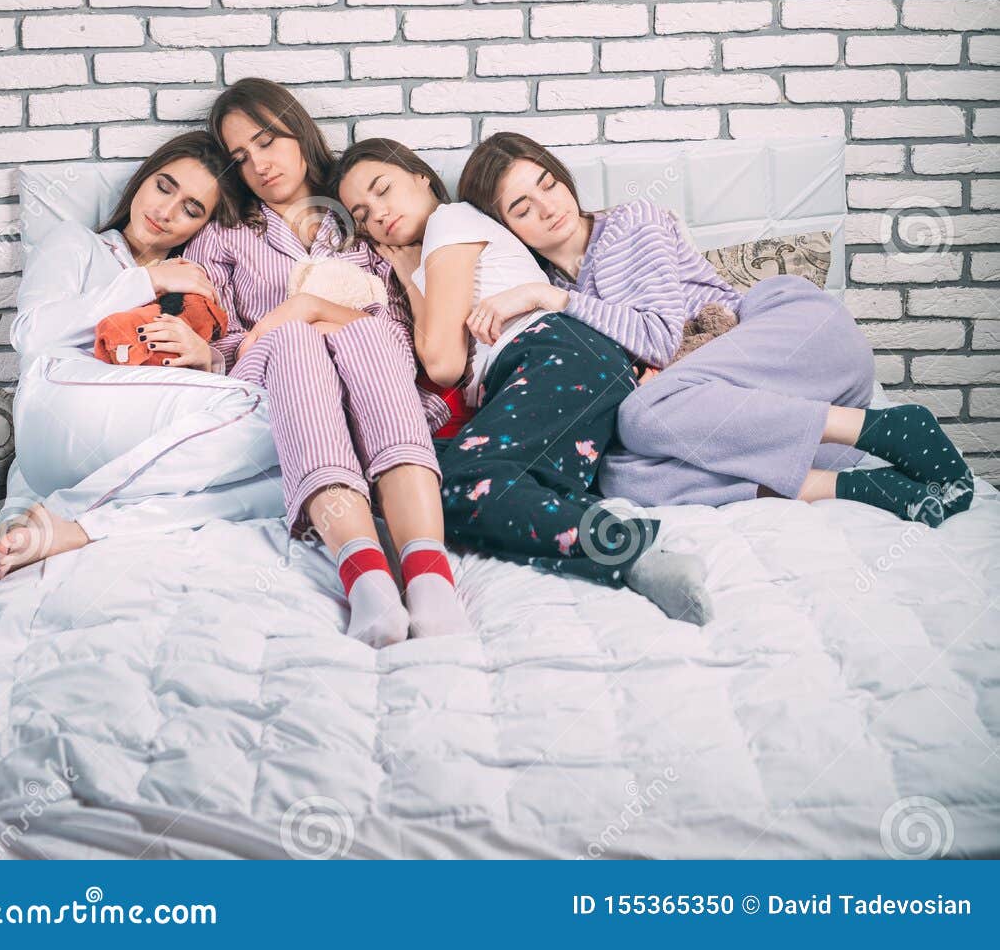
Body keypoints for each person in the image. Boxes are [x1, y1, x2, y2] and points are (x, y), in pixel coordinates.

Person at [456, 132, 975, 528]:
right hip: (760, 411)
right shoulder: (543, 288)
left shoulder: (631, 222)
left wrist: (552, 298)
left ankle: (891, 428)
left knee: (641, 413)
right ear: (505, 228)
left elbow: (660, 337)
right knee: (620, 475)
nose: (549, 207)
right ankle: (857, 488)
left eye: (547, 184)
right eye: (522, 208)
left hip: (795, 337)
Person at [337, 140, 713, 626]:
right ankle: (637, 552)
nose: (379, 214)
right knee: (460, 482)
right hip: (562, 363)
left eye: (384, 189)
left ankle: (635, 554)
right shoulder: (447, 239)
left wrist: (409, 280)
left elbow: (444, 364)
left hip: (552, 351)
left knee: (454, 487)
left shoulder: (449, 224)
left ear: (420, 177)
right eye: (362, 213)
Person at [193, 79, 472, 647]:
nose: (260, 165)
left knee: (366, 339)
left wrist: (316, 310)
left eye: (268, 141)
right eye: (241, 158)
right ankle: (366, 577)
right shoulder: (224, 234)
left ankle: (428, 578)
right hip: (281, 376)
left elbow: (397, 327)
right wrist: (217, 349)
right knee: (296, 341)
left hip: (375, 374)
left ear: (299, 130)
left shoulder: (361, 211)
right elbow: (228, 339)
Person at [0, 131, 283, 579]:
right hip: (57, 402)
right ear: (143, 179)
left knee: (287, 478)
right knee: (271, 407)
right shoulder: (78, 243)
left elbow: (188, 397)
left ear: (203, 226)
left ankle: (84, 525)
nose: (166, 213)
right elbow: (31, 336)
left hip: (121, 447)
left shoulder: (196, 287)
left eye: (191, 209)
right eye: (164, 186)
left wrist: (207, 361)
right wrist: (149, 281)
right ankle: (73, 510)